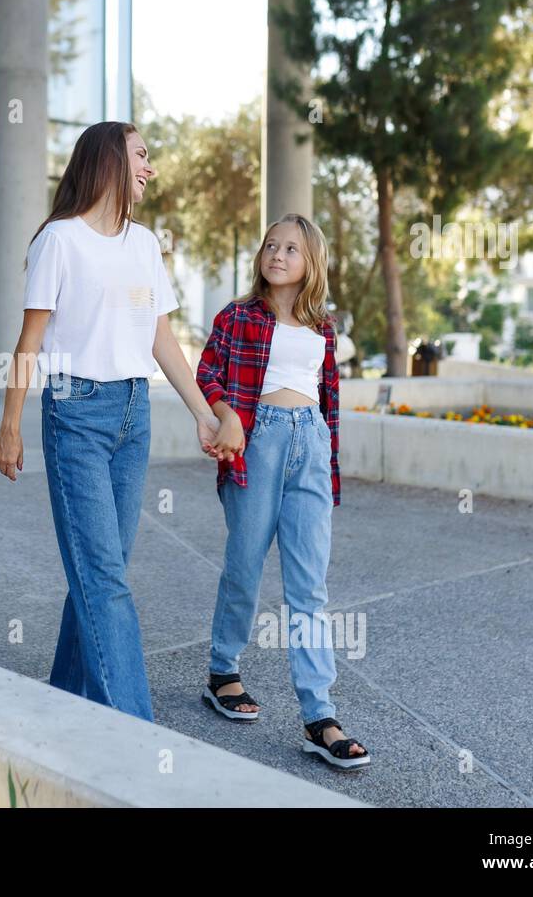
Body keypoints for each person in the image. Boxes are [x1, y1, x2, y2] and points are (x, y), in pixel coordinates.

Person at [0, 121, 220, 722]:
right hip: (75, 416)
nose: (150, 167)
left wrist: (202, 414)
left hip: (131, 414)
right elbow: (29, 342)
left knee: (101, 571)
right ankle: (135, 738)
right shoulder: (59, 241)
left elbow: (160, 337)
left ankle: (63, 701)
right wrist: (10, 425)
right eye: (141, 155)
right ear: (109, 159)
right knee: (106, 580)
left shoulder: (143, 243)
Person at [196, 213, 371, 768]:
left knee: (309, 587)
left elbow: (328, 403)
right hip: (258, 441)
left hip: (310, 447)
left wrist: (327, 466)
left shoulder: (323, 327)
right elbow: (207, 375)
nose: (277, 254)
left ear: (310, 261)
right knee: (244, 567)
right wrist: (227, 418)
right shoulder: (238, 317)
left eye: (291, 248)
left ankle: (319, 715)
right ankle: (223, 671)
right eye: (271, 245)